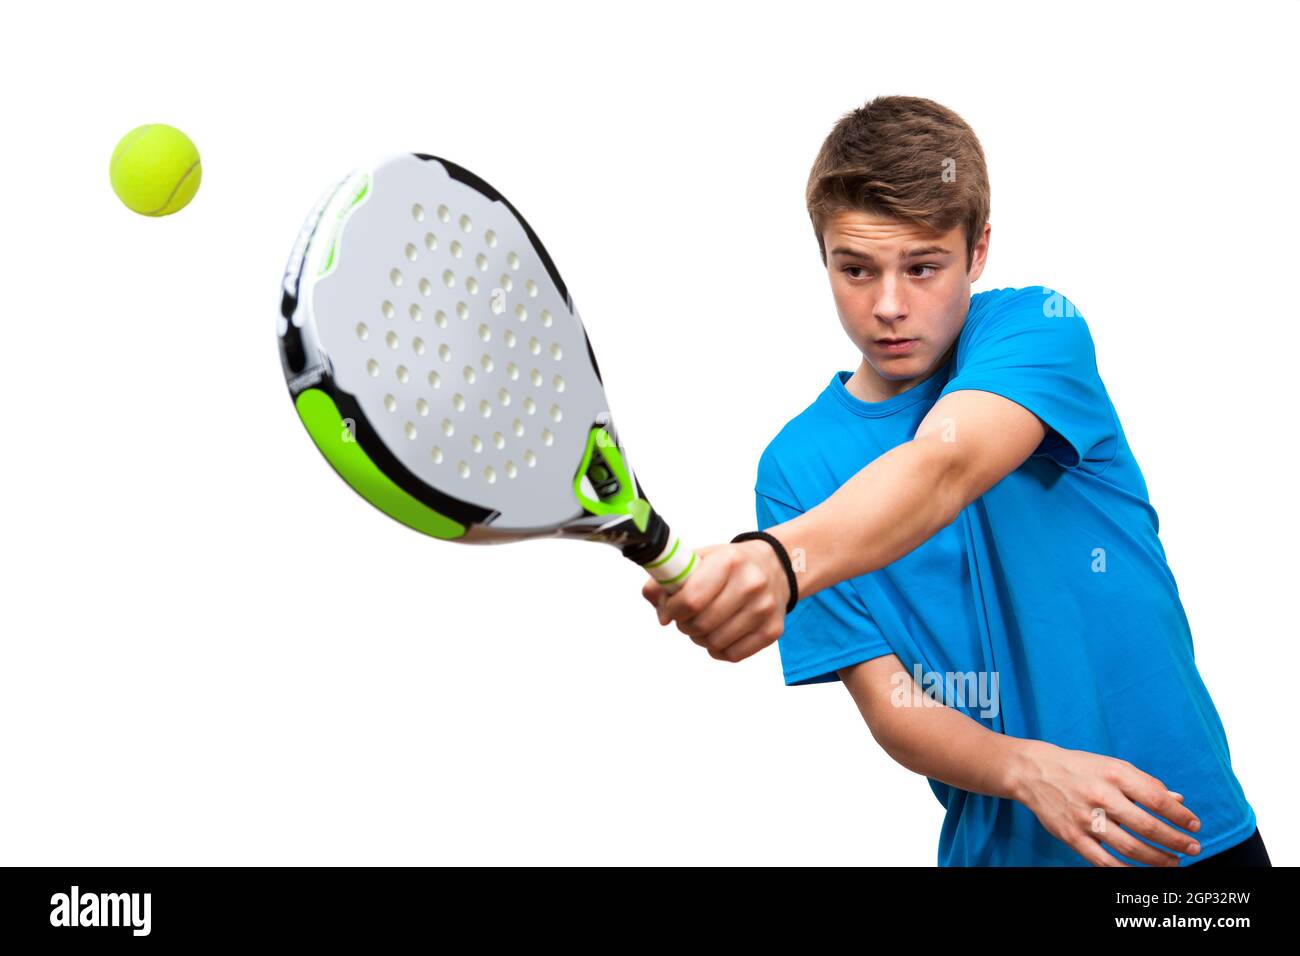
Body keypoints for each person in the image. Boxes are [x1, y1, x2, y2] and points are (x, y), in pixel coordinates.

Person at [643, 95, 1264, 867]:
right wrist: (1030, 770)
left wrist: (778, 562)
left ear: (978, 253)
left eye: (924, 267)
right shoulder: (794, 469)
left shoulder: (1039, 327)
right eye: (857, 270)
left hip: (1188, 841)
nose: (889, 307)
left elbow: (945, 465)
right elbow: (891, 704)